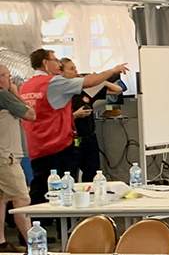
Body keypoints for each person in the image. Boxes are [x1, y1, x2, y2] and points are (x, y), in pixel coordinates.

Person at [20, 48, 128, 205]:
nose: (58, 64)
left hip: (37, 146)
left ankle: (37, 224)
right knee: (63, 190)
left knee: (41, 189)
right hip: (56, 144)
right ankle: (65, 226)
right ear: (45, 63)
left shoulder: (26, 86)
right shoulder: (53, 82)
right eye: (55, 60)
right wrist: (113, 70)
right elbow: (90, 81)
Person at [59, 58, 118, 179]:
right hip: (70, 139)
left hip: (89, 137)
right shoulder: (59, 92)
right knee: (70, 175)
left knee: (93, 173)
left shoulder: (85, 88)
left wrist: (100, 81)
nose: (76, 71)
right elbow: (56, 119)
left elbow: (117, 90)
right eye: (71, 69)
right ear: (61, 73)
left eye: (75, 68)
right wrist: (76, 115)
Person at [0, 65, 35, 246]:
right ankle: (32, 244)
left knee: (2, 199)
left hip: (4, 155)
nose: (9, 80)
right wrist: (16, 93)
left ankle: (2, 242)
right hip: (7, 157)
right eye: (5, 76)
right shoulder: (4, 96)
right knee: (21, 198)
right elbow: (30, 114)